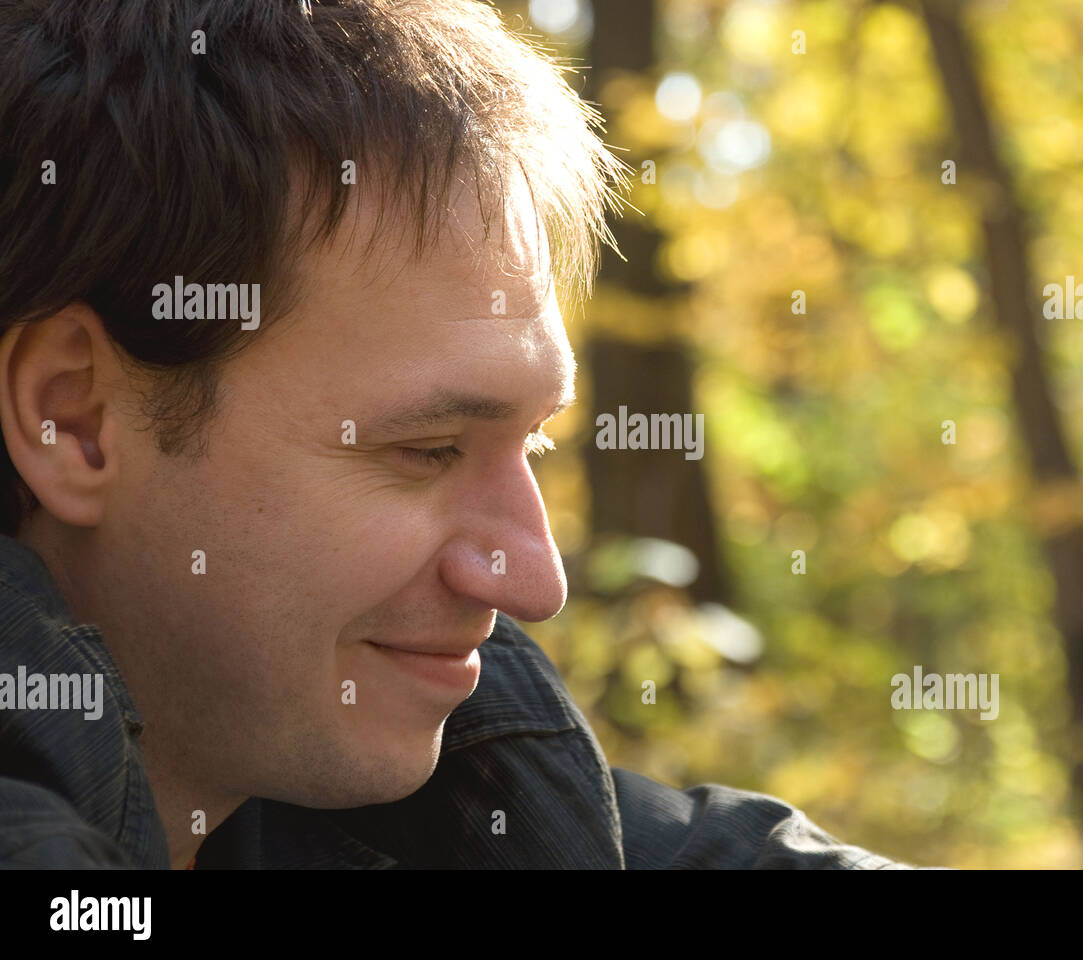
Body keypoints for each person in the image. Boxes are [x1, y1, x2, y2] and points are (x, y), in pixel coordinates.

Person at [0, 0, 908, 869]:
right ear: (74, 417)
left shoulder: (467, 806)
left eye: (535, 444)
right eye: (427, 449)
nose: (535, 580)